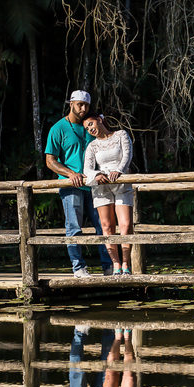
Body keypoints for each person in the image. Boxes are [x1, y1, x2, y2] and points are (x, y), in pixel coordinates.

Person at [44, 90, 114, 278]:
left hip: (95, 185)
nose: (83, 108)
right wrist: (70, 174)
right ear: (71, 104)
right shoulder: (58, 128)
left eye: (86, 105)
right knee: (74, 227)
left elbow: (108, 144)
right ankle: (78, 268)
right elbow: (50, 160)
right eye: (79, 104)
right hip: (71, 186)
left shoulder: (90, 126)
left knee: (103, 226)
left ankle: (109, 266)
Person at [82, 114, 135, 275]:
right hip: (101, 187)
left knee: (125, 224)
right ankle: (116, 265)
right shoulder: (92, 146)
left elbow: (127, 155)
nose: (90, 129)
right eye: (87, 128)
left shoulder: (121, 135)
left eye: (91, 124)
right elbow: (87, 169)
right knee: (107, 226)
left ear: (99, 120)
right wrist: (97, 174)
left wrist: (119, 170)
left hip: (121, 182)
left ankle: (126, 264)